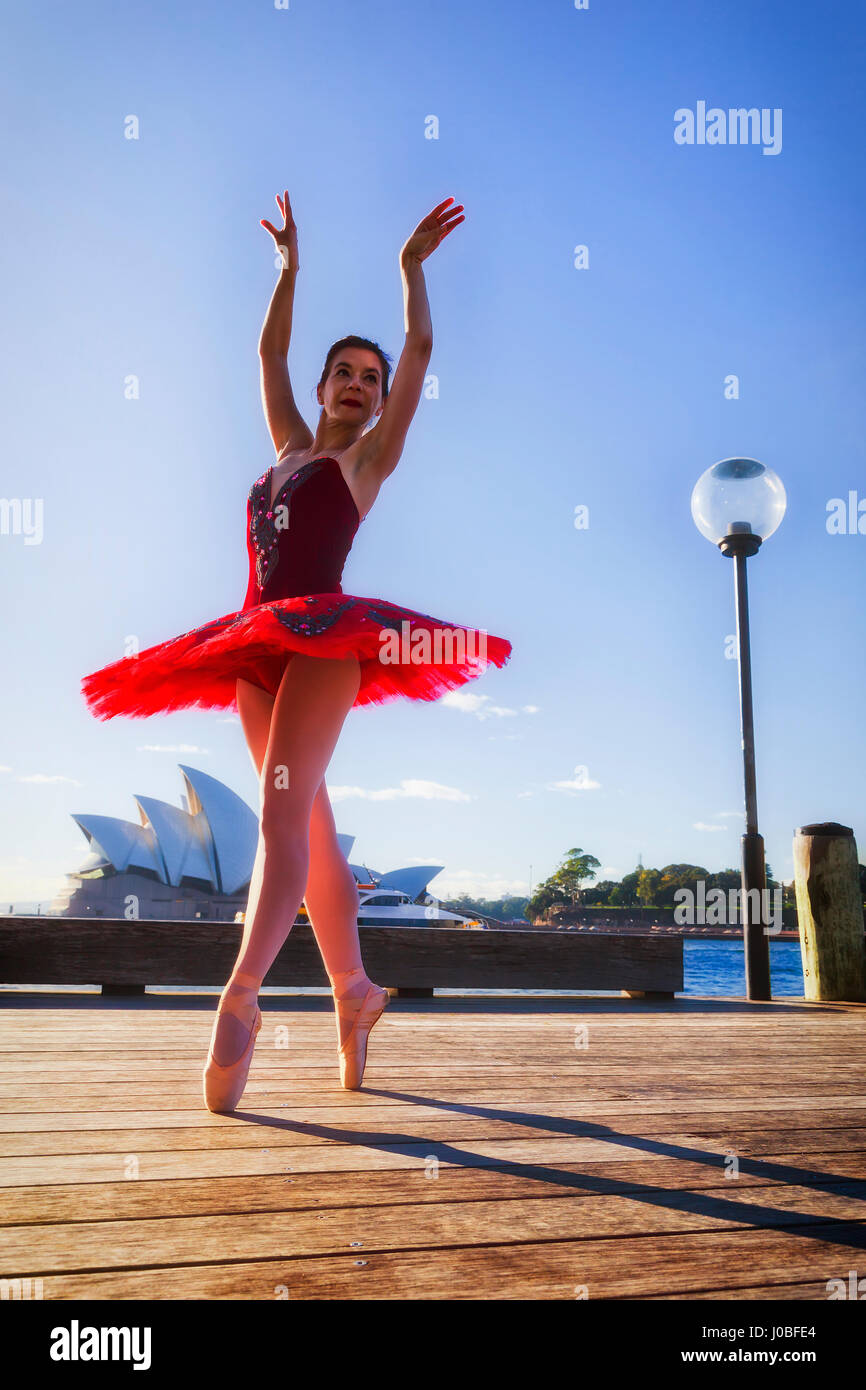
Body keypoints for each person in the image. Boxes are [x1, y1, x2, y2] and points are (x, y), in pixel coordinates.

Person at [81, 192, 512, 1112]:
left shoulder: (364, 464)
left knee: (279, 821)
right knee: (311, 828)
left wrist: (412, 271)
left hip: (324, 643)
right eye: (344, 374)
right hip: (252, 650)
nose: (357, 386)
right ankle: (355, 992)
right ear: (321, 389)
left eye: (372, 379)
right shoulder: (283, 447)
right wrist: (287, 272)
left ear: (382, 402)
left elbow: (424, 352)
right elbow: (268, 353)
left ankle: (240, 997)